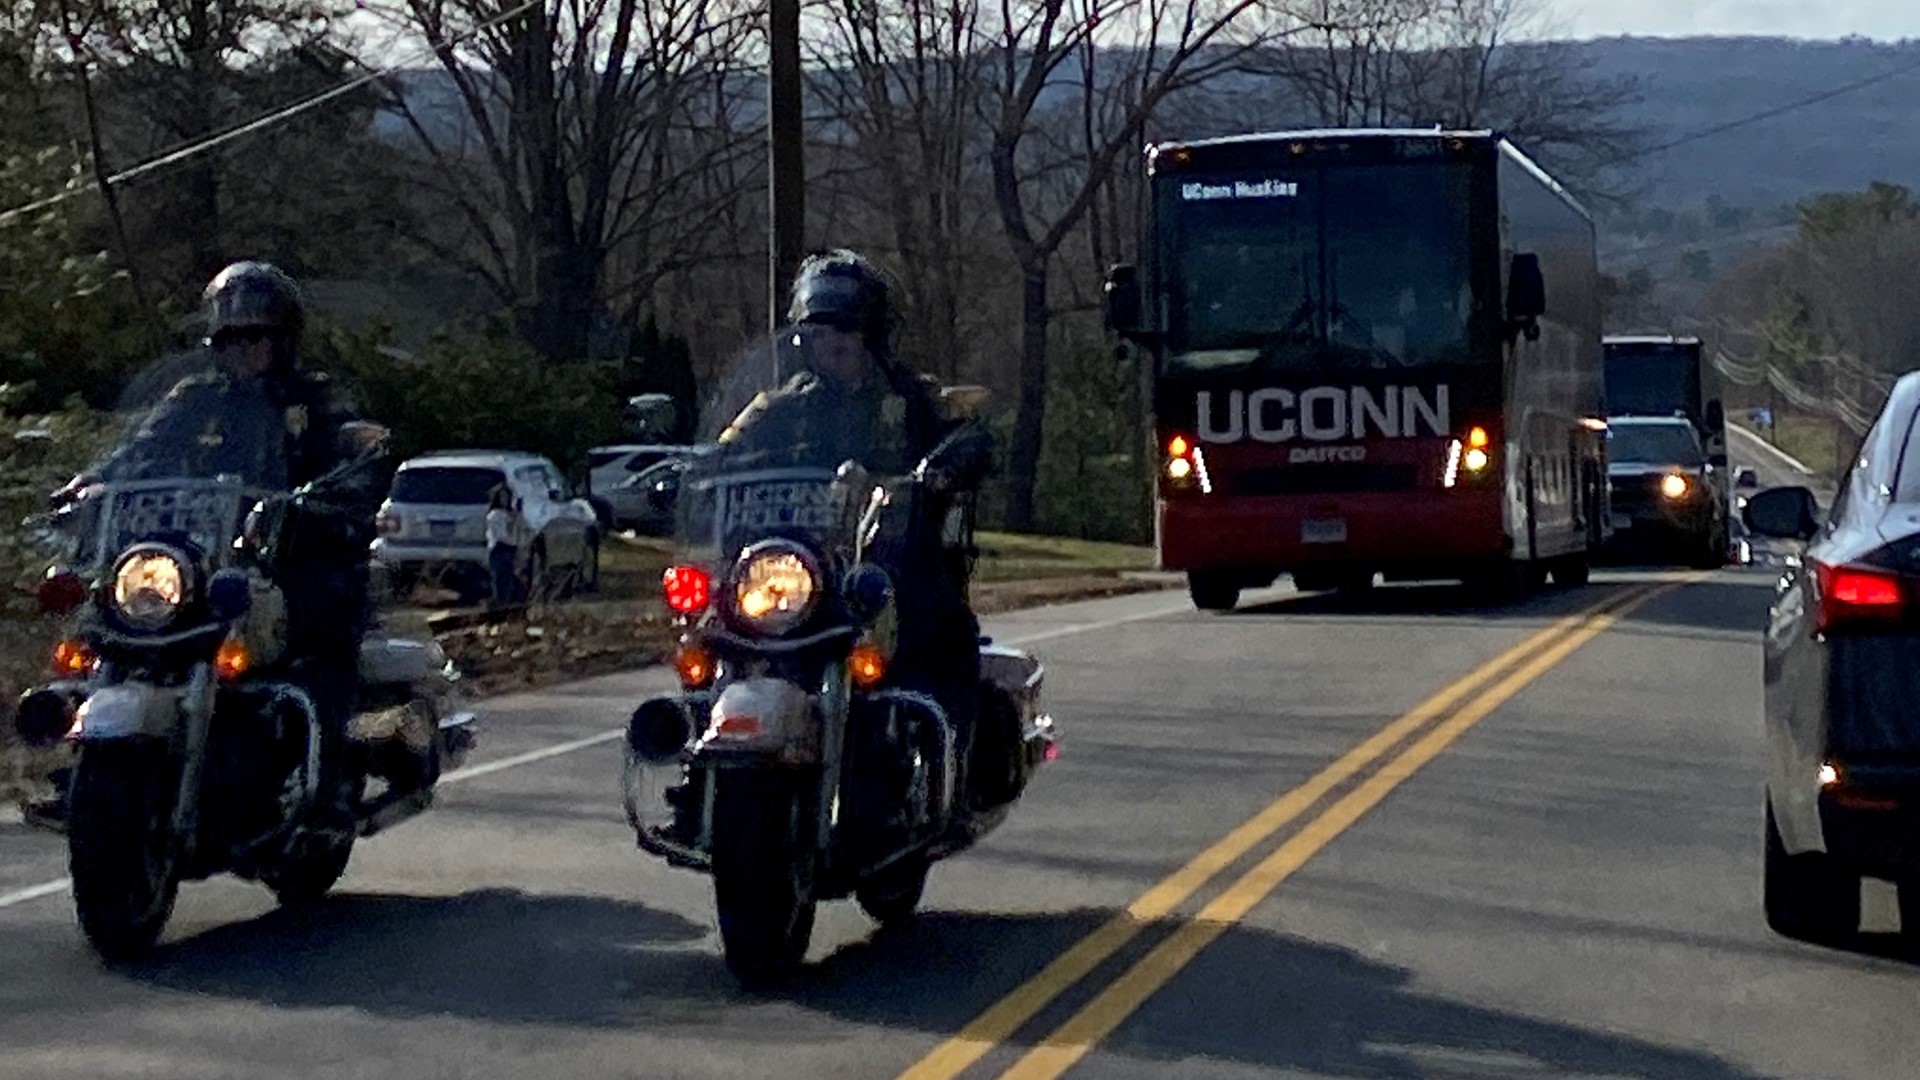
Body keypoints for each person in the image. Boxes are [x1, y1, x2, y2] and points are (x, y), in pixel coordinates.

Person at [53, 260, 392, 829]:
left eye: (255, 336)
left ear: (282, 339)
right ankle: (92, 768)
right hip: (201, 557)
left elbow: (356, 455)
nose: (242, 349)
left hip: (291, 560)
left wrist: (339, 495)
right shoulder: (194, 398)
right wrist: (90, 486)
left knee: (324, 637)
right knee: (109, 622)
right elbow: (139, 451)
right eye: (230, 338)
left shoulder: (315, 400)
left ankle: (327, 781)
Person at [716, 249, 994, 794]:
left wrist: (952, 462)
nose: (834, 343)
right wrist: (691, 468)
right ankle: (705, 766)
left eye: (847, 330)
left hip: (889, 563)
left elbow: (970, 435)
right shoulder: (780, 406)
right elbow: (725, 448)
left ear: (873, 337)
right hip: (799, 565)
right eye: (820, 332)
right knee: (716, 630)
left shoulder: (911, 398)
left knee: (949, 630)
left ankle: (953, 770)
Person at [485, 485, 521, 608]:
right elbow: (501, 535)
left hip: (510, 548)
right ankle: (498, 605)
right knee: (499, 580)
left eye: (507, 497)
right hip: (499, 549)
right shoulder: (495, 515)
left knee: (508, 580)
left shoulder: (511, 515)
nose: (504, 500)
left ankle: (506, 604)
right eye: (502, 497)